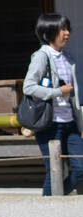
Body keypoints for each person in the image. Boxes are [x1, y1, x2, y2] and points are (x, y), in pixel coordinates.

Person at [23, 12, 83, 196]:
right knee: (54, 171)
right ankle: (48, 206)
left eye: (67, 29)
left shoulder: (68, 58)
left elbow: (74, 98)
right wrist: (58, 92)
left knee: (80, 169)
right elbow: (29, 87)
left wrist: (80, 125)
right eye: (62, 29)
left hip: (70, 124)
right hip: (49, 124)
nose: (67, 33)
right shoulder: (41, 56)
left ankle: (56, 200)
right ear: (49, 32)